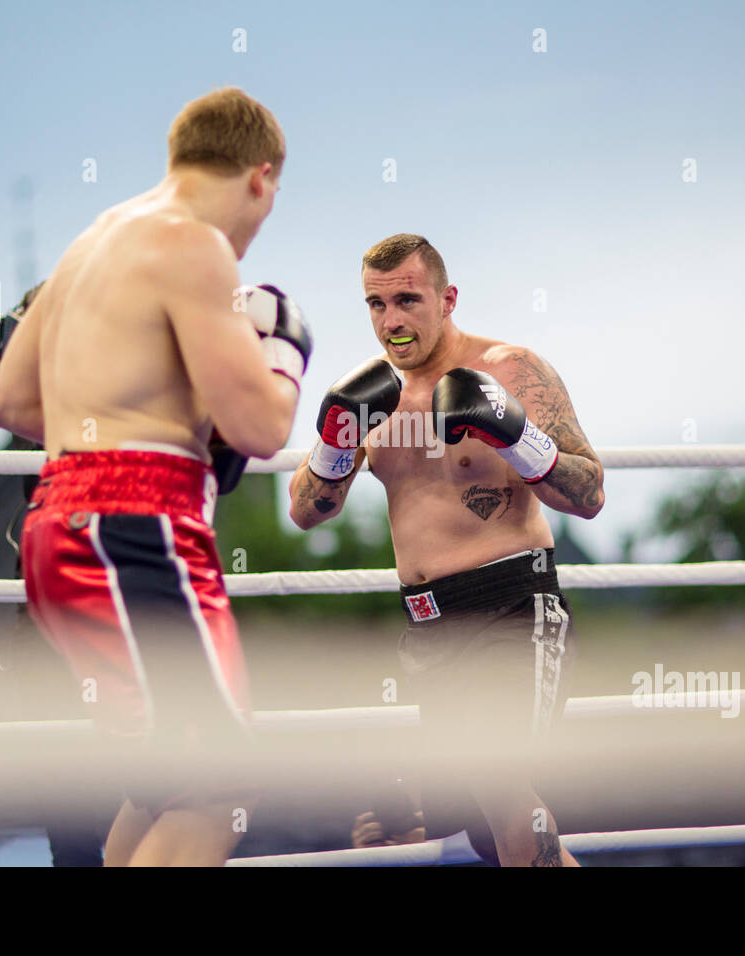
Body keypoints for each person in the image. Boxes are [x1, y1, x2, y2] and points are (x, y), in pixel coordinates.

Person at [0, 87, 311, 866]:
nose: (250, 235)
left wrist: (146, 416)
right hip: (135, 529)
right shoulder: (193, 245)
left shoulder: (91, 241)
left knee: (165, 784)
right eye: (263, 209)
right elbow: (262, 429)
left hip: (61, 529)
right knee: (222, 785)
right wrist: (285, 350)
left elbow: (11, 400)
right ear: (260, 178)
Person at [289, 234, 603, 866]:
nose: (392, 321)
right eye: (377, 306)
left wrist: (513, 433)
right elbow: (306, 511)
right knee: (486, 827)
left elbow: (589, 493)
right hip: (428, 628)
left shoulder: (511, 370)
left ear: (447, 298)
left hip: (513, 609)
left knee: (501, 782)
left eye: (407, 299)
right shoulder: (371, 397)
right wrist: (334, 437)